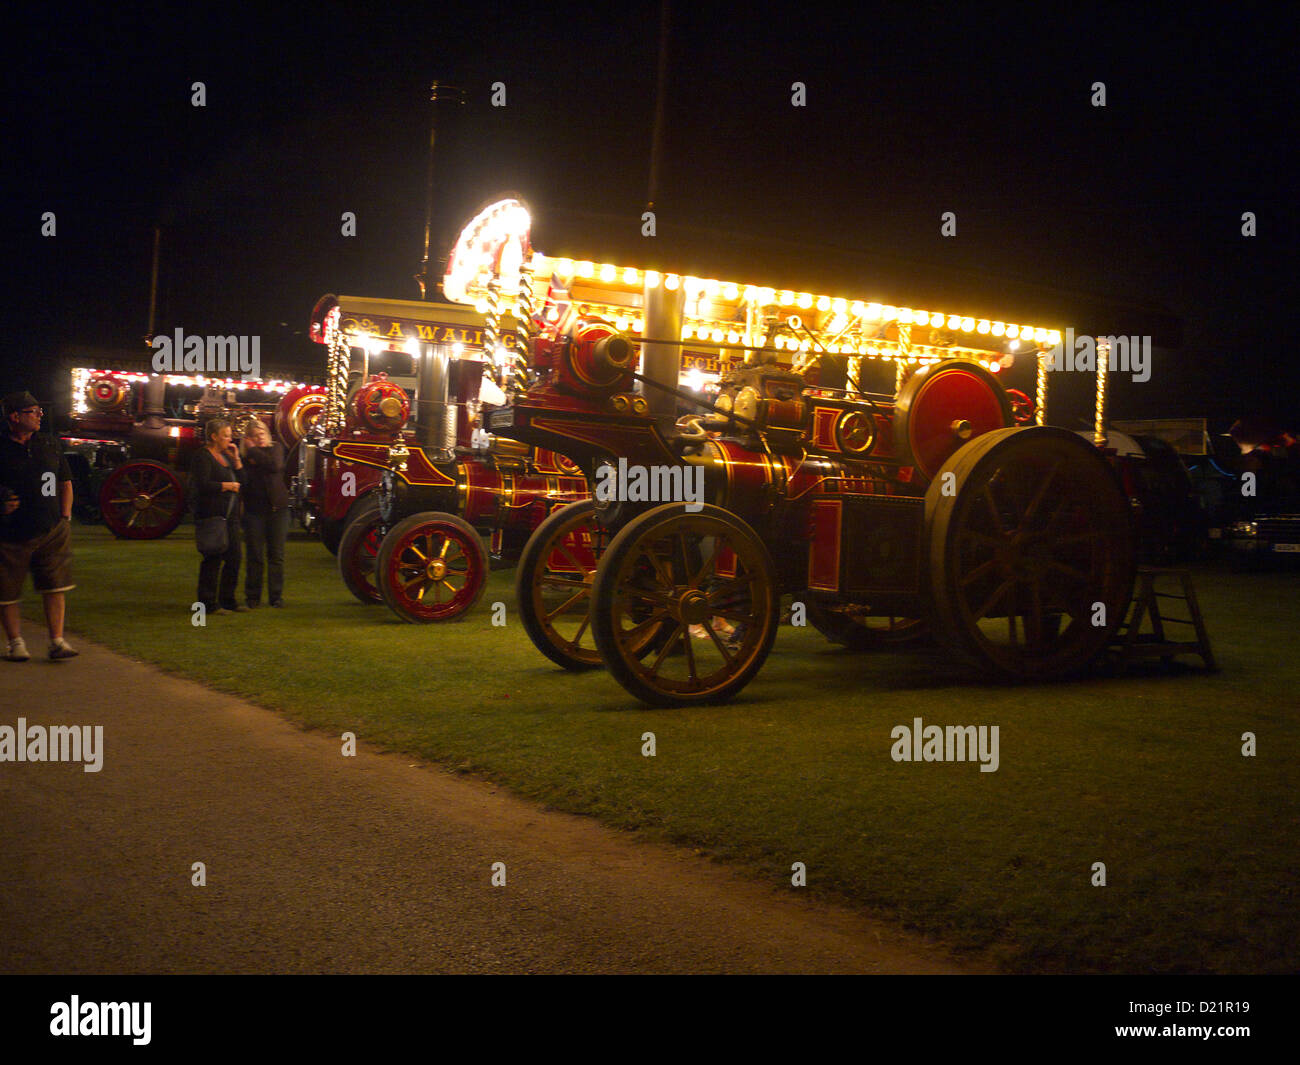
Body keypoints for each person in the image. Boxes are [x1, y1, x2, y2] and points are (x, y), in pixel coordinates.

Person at [0, 391, 78, 661]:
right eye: (33, 411)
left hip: (51, 529)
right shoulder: (2, 448)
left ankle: (56, 641)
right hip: (11, 532)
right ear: (14, 416)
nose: (40, 415)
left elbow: (65, 481)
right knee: (7, 589)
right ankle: (16, 643)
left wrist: (65, 517)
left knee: (55, 586)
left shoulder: (49, 443)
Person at [192, 418, 246, 614]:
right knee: (213, 557)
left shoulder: (227, 457)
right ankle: (207, 603)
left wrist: (237, 460)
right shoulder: (203, 457)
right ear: (214, 437)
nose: (229, 440)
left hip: (230, 515)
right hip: (212, 513)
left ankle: (228, 600)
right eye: (225, 436)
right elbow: (202, 484)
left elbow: (244, 482)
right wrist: (226, 486)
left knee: (234, 557)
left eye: (230, 435)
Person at [239, 419, 289, 607]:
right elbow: (245, 478)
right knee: (255, 555)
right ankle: (253, 597)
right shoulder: (244, 459)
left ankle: (276, 597)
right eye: (254, 435)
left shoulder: (276, 449)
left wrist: (253, 452)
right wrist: (251, 455)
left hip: (278, 510)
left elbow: (274, 465)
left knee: (276, 555)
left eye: (261, 434)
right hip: (254, 511)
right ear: (247, 439)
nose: (259, 438)